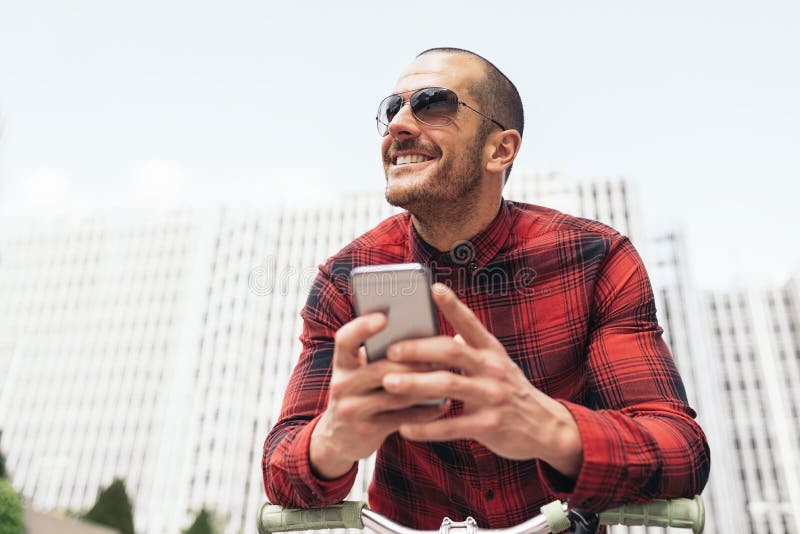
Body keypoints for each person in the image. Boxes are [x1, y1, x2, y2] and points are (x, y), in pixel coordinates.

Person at [262, 47, 710, 529]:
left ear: (500, 149)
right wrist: (332, 439)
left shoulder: (598, 258)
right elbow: (280, 467)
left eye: (434, 104)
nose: (398, 125)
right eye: (391, 110)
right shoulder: (343, 279)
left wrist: (550, 428)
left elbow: (681, 451)